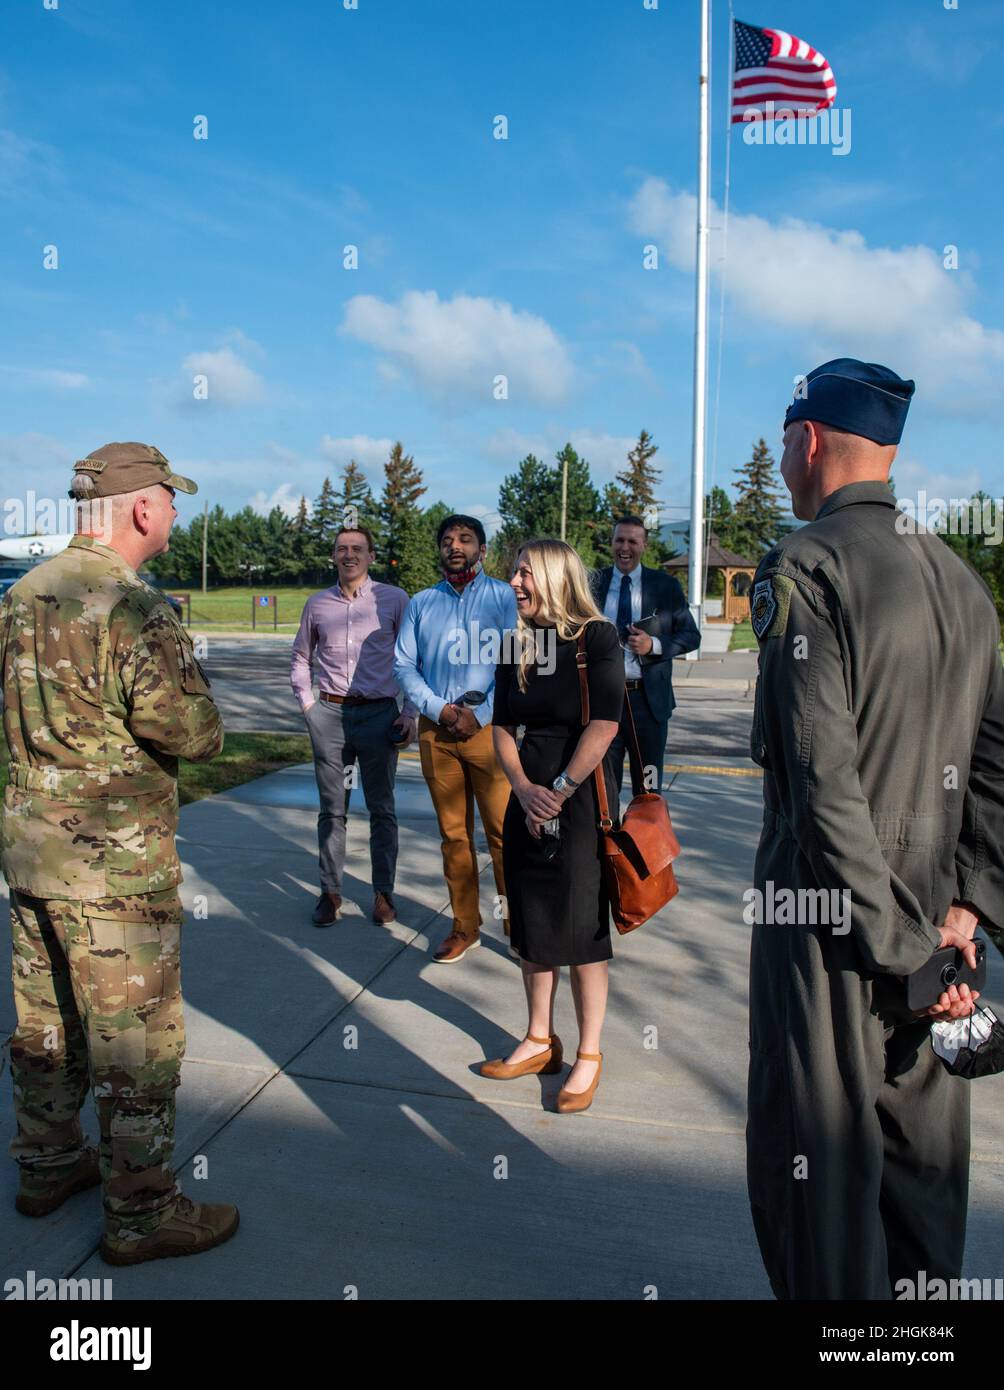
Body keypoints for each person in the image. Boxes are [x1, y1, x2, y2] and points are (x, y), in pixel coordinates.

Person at [746, 359, 1004, 1300]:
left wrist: (898, 951)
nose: (780, 459)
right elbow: (996, 768)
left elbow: (822, 786)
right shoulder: (960, 578)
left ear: (809, 439)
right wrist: (966, 917)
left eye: (782, 439)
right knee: (921, 1196)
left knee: (817, 1195)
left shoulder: (805, 565)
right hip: (939, 943)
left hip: (833, 943)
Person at [1, 442, 239, 1266]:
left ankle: (48, 1165)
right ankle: (141, 1215)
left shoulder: (22, 594)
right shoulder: (133, 605)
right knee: (134, 1043)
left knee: (47, 1027)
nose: (175, 513)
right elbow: (193, 733)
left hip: (31, 858)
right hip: (113, 870)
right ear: (144, 507)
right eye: (172, 500)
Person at [484, 538, 623, 1113]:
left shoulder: (597, 638)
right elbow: (499, 727)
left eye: (525, 573)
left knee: (583, 928)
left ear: (554, 577)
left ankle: (588, 1053)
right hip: (528, 799)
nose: (514, 582)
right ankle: (540, 1038)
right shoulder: (519, 643)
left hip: (582, 800)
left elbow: (605, 725)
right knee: (532, 922)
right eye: (514, 572)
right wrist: (522, 789)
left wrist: (559, 791)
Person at [394, 515, 517, 963]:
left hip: (490, 731)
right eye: (447, 540)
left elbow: (515, 662)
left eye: (465, 539)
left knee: (504, 833)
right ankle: (465, 926)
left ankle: (517, 925)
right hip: (437, 731)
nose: (455, 546)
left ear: (482, 549)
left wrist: (479, 714)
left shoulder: (504, 597)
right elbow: (404, 665)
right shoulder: (422, 603)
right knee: (453, 835)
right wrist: (439, 709)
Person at [291, 525, 417, 927]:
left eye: (357, 549)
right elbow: (300, 659)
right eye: (342, 549)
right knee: (332, 810)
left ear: (371, 556)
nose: (349, 555)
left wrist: (410, 711)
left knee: (382, 809)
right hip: (329, 716)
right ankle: (331, 893)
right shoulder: (317, 604)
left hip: (380, 716)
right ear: (334, 556)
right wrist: (308, 705)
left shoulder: (394, 600)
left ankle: (383, 893)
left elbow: (415, 659)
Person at [590, 516, 699, 794]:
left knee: (648, 790)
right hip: (603, 701)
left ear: (644, 546)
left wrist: (654, 646)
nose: (625, 547)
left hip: (647, 703)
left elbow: (691, 636)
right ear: (611, 542)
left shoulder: (665, 587)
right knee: (604, 790)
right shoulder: (592, 584)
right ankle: (609, 837)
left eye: (632, 541)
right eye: (619, 540)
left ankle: (646, 838)